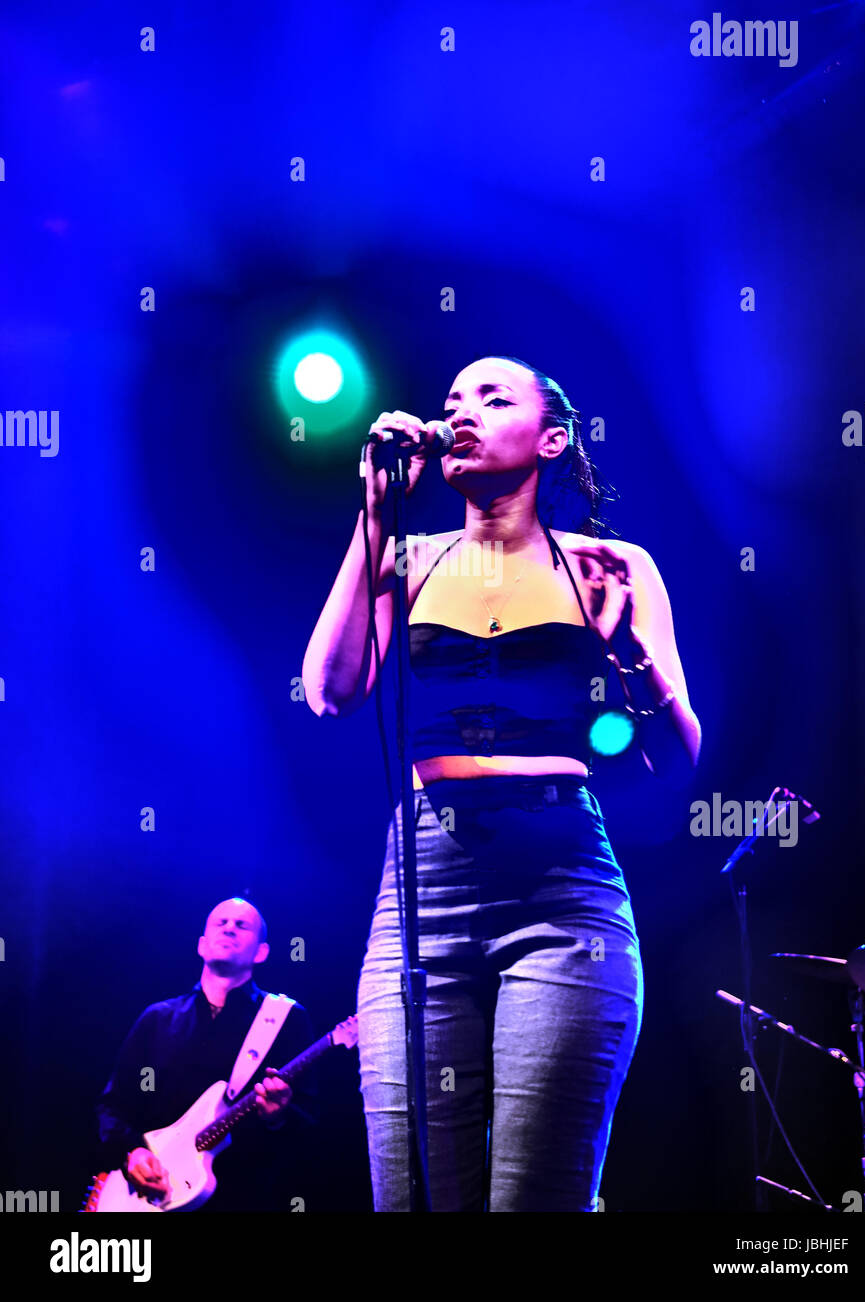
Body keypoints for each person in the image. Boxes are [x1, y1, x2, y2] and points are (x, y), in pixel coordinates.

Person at [303, 355, 701, 1211]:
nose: (464, 412)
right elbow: (330, 694)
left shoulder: (611, 564)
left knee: (536, 1199)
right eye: (453, 401)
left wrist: (626, 650)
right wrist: (371, 518)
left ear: (551, 439)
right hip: (420, 890)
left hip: (562, 892)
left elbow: (675, 763)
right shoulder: (403, 556)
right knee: (413, 1197)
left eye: (493, 397)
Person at [95, 897, 318, 1212]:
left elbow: (308, 1122)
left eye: (242, 925)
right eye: (220, 922)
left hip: (245, 1199)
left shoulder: (286, 1018)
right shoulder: (157, 1018)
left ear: (262, 952)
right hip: (150, 1196)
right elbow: (114, 1106)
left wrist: (278, 1116)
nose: (229, 928)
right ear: (201, 945)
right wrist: (133, 1152)